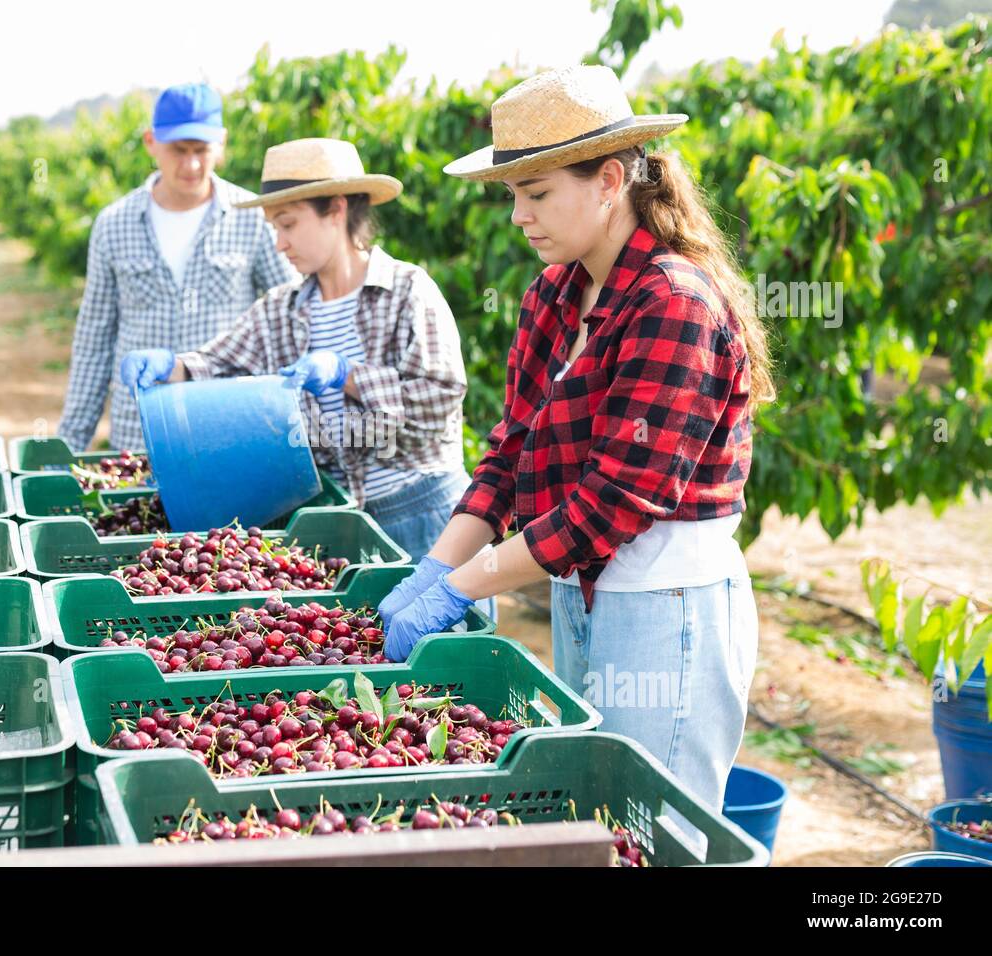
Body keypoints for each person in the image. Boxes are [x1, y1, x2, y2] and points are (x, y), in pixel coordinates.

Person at [378, 66, 776, 811]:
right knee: (597, 815)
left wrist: (459, 591)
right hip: (578, 593)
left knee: (653, 827)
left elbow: (610, 505)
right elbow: (510, 454)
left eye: (537, 194)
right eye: (513, 197)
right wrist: (432, 567)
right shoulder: (556, 293)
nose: (520, 216)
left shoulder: (674, 304)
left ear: (609, 181)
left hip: (667, 607)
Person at [120, 137, 473, 565]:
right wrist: (169, 366)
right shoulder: (280, 310)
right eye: (275, 228)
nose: (280, 243)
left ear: (337, 210)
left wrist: (349, 375)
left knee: (443, 631)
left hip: (422, 516)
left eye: (288, 225)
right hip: (339, 524)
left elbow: (439, 405)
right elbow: (215, 367)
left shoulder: (406, 291)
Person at [57, 83, 295, 453]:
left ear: (222, 143)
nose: (191, 164)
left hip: (228, 429)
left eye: (202, 150)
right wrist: (69, 443)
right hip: (141, 433)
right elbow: (95, 337)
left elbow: (291, 313)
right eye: (178, 151)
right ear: (151, 142)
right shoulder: (115, 224)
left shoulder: (252, 218)